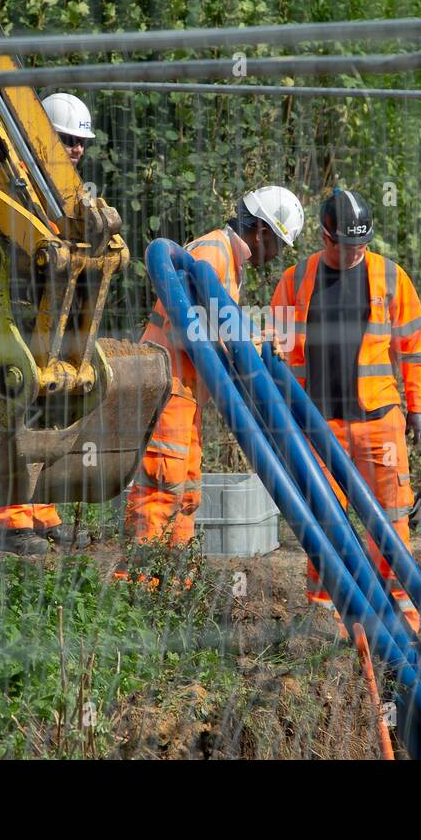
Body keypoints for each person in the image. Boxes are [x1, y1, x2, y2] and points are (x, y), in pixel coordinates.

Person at [270, 189, 421, 633]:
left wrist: (419, 407)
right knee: (324, 521)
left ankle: (402, 617)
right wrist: (283, 415)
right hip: (319, 426)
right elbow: (276, 353)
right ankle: (326, 618)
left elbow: (414, 346)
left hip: (378, 420)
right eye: (347, 244)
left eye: (362, 243)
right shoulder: (295, 280)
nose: (356, 252)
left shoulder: (390, 277)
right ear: (325, 237)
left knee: (392, 518)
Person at [122, 186, 305, 560]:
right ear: (263, 231)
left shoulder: (227, 262)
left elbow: (214, 327)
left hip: (184, 392)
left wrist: (253, 340)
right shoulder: (212, 252)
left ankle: (174, 582)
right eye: (280, 245)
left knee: (186, 492)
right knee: (162, 487)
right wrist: (249, 346)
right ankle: (140, 587)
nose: (277, 256)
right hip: (166, 387)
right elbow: (195, 329)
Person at [0, 92, 98, 552]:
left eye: (80, 142)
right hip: (18, 308)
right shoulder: (20, 187)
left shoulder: (76, 197)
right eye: (66, 140)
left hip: (55, 314)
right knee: (14, 404)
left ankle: (44, 512)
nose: (75, 150)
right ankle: (14, 520)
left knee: (51, 409)